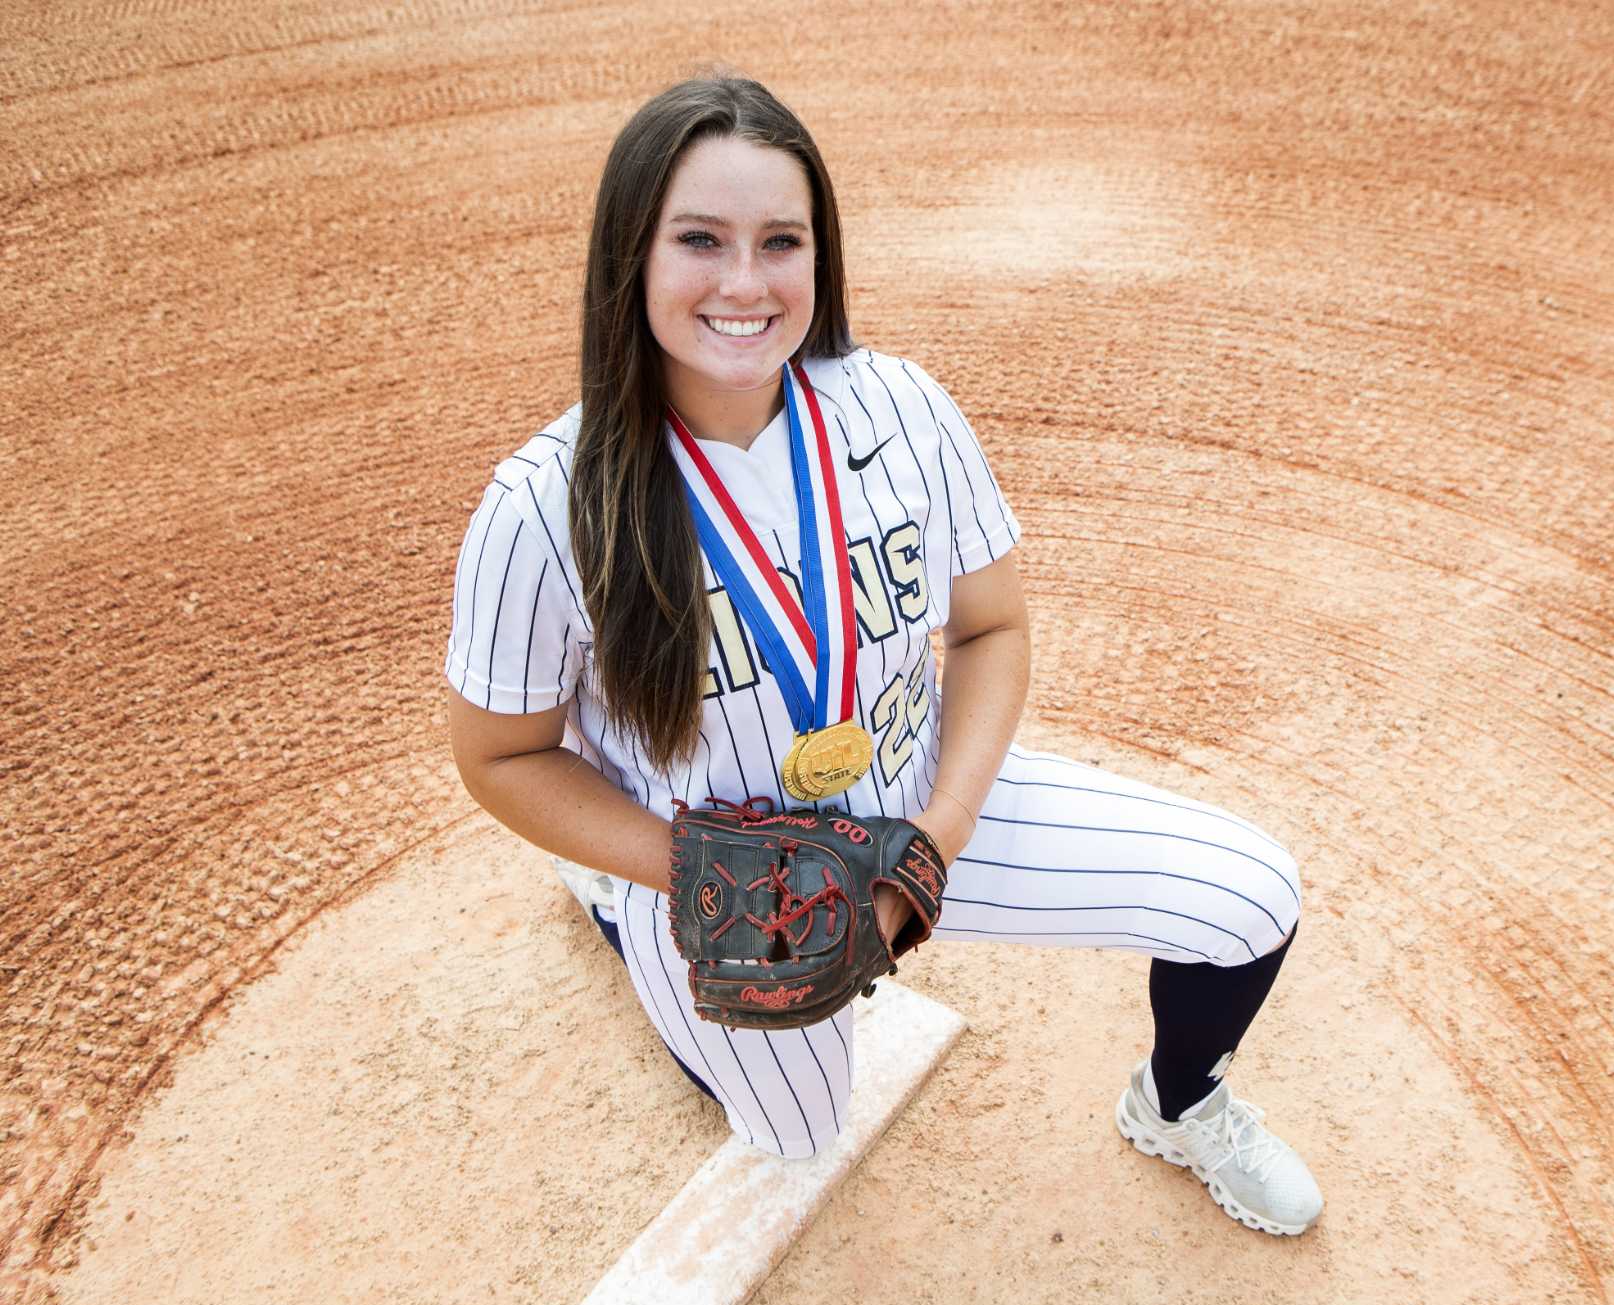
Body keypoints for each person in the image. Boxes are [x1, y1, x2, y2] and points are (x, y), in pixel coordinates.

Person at [443, 75, 1322, 1236]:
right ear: (631, 257)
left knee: (1248, 893)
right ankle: (616, 905)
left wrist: (933, 844)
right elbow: (499, 756)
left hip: (924, 806)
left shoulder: (896, 406)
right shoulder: (542, 505)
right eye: (699, 240)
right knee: (798, 1135)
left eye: (781, 241)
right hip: (726, 886)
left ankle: (1177, 1105)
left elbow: (991, 628)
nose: (745, 283)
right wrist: (680, 870)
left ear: (822, 254)